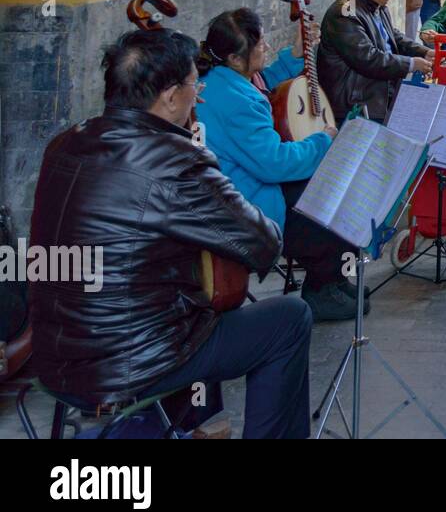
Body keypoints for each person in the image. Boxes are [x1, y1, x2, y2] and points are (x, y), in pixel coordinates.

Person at [29, 28, 310, 438]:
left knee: (202, 302)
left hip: (54, 357)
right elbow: (264, 245)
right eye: (195, 85)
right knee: (289, 318)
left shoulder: (64, 143)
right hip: (129, 364)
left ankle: (180, 427)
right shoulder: (176, 161)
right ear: (171, 96)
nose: (199, 97)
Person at [194, 9, 366, 323]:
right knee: (325, 200)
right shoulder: (235, 102)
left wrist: (294, 57)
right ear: (235, 58)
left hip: (238, 183)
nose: (266, 48)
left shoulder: (221, 78)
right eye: (260, 45)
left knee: (323, 189)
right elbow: (274, 163)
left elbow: (263, 86)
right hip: (245, 201)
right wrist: (322, 141)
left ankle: (336, 278)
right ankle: (321, 289)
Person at [318, 0, 435, 124]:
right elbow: (368, 58)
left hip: (380, 94)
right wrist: (411, 64)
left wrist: (422, 51)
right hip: (356, 104)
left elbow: (393, 36)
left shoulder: (375, 5)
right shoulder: (345, 13)